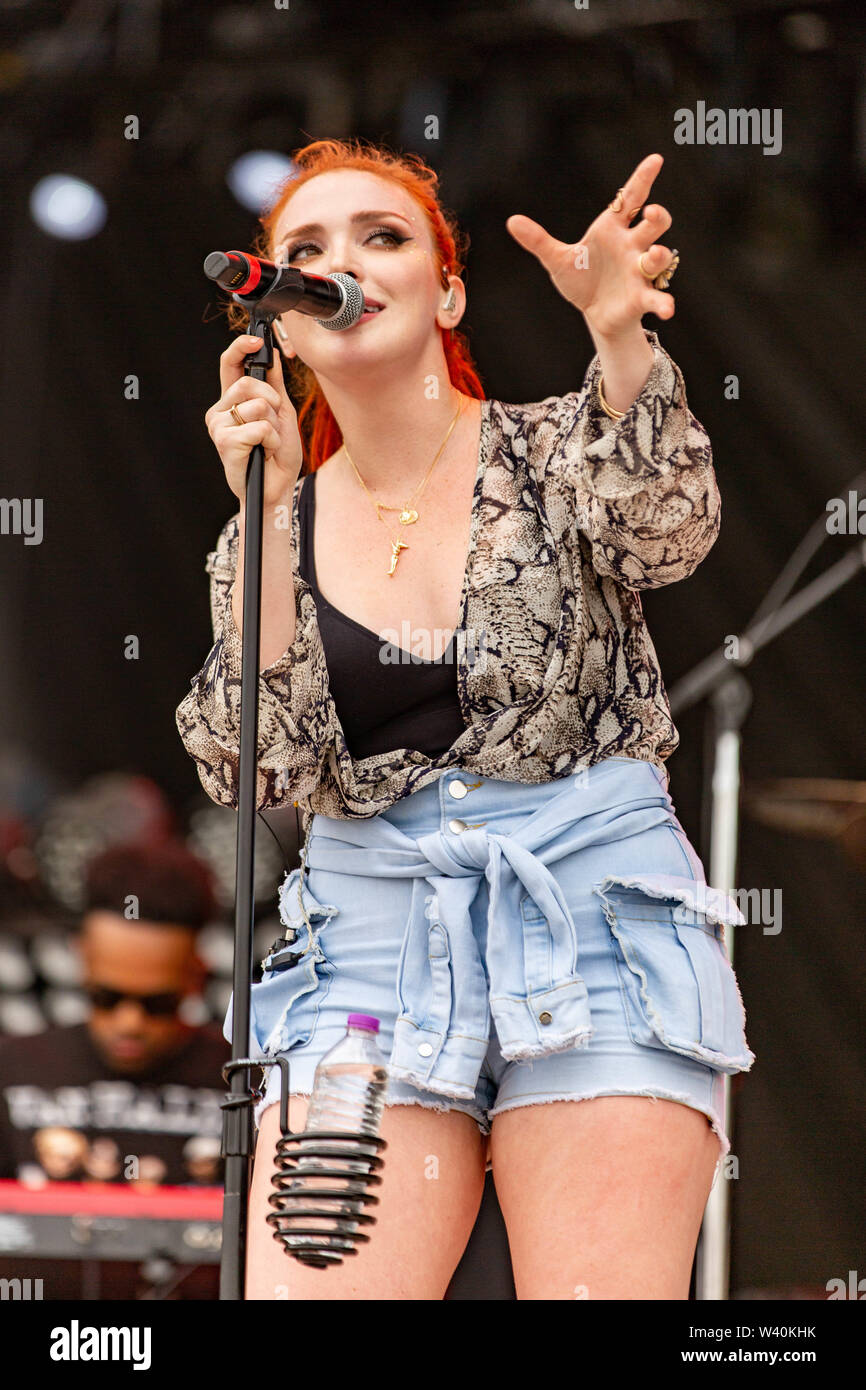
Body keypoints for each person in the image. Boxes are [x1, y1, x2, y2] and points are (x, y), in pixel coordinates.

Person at [176, 137, 755, 1300]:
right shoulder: (268, 522)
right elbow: (252, 763)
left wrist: (617, 331)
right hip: (367, 948)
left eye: (380, 237)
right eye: (306, 251)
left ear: (445, 289)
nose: (340, 262)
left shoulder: (549, 448)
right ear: (280, 321)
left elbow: (668, 529)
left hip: (592, 916)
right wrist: (269, 512)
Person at [0, 841, 229, 1297]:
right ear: (81, 958)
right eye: (106, 997)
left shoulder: (244, 1081)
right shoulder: (12, 1067)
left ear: (196, 974)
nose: (129, 1023)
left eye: (158, 1004)